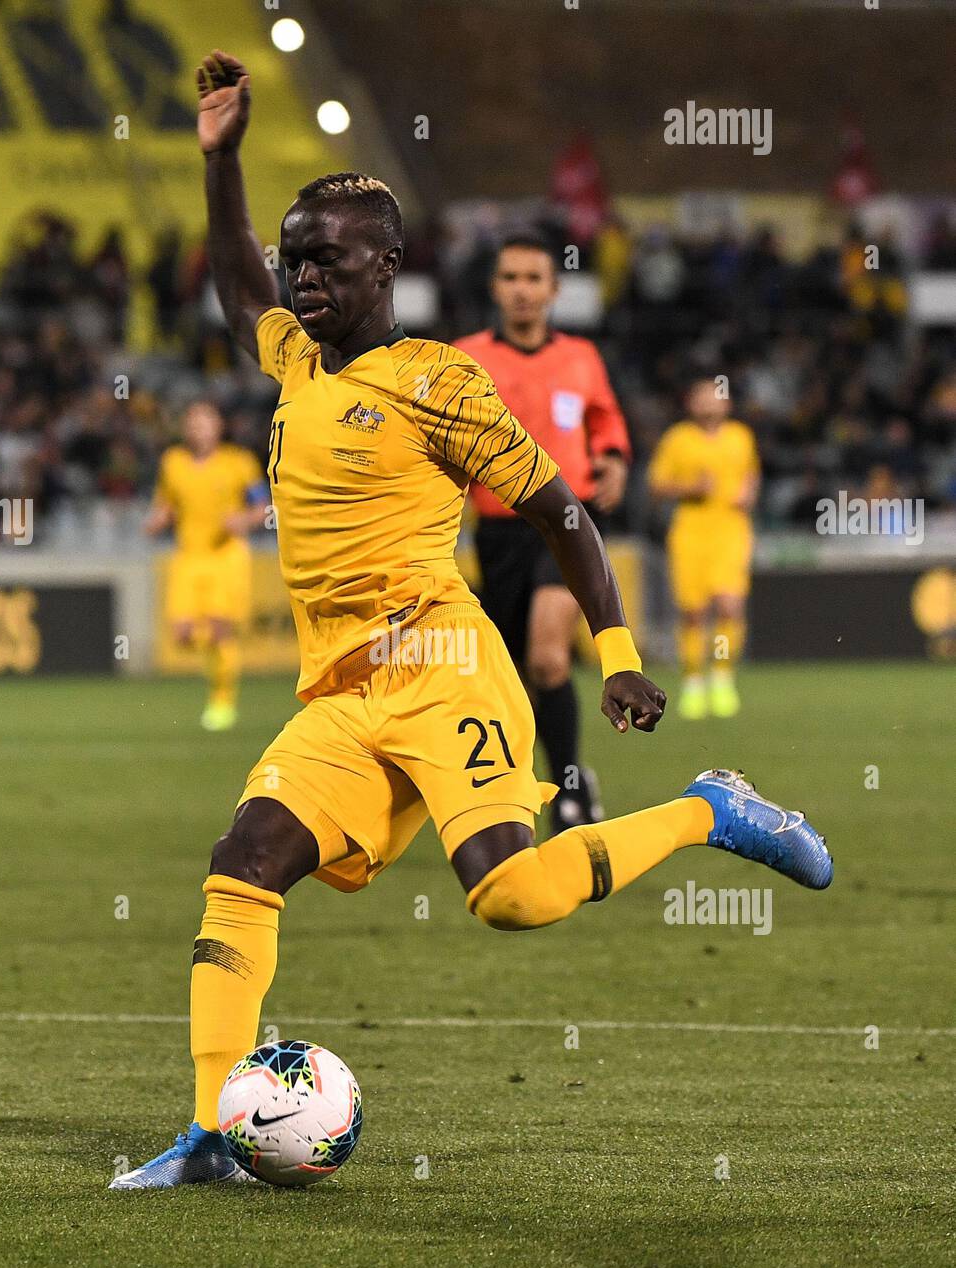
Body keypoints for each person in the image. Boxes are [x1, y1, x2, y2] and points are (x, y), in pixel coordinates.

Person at [111, 51, 831, 1190]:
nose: (301, 280)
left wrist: (619, 656)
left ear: (386, 266)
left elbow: (562, 511)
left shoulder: (438, 383)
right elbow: (234, 284)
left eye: (327, 262)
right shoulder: (295, 364)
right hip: (342, 696)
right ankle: (212, 1131)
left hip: (443, 668)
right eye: (295, 260)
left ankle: (706, 811)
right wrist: (223, 159)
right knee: (241, 863)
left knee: (509, 894)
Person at [456, 233, 631, 829]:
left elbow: (604, 419)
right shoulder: (466, 357)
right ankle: (516, 794)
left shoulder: (581, 357)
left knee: (550, 658)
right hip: (499, 528)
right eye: (510, 278)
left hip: (568, 521)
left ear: (554, 290)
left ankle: (572, 788)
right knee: (513, 680)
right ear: (494, 289)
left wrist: (613, 458)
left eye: (534, 278)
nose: (522, 290)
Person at [144, 400, 267, 730]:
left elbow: (263, 508)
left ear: (218, 427)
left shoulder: (238, 462)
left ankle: (222, 701)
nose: (198, 428)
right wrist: (158, 520)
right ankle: (219, 664)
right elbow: (166, 504)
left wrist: (245, 519)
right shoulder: (173, 462)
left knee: (218, 628)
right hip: (188, 556)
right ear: (185, 428)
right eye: (193, 422)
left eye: (205, 421)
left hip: (226, 556)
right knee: (182, 634)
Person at [648, 377, 760, 719]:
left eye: (717, 397)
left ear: (726, 404)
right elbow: (656, 485)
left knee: (729, 605)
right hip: (690, 532)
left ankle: (722, 677)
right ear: (691, 404)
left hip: (730, 529)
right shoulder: (678, 438)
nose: (710, 403)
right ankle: (694, 680)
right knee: (693, 612)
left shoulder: (741, 436)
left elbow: (751, 473)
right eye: (703, 397)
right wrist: (689, 487)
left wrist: (749, 492)